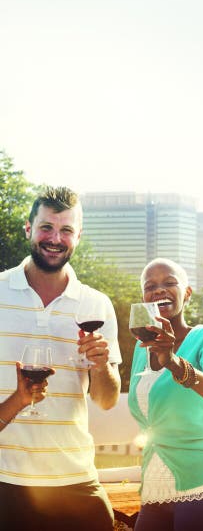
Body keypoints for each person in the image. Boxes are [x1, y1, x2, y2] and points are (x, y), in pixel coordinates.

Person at [0, 186, 122, 531]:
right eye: (46, 228)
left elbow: (106, 400)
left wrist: (101, 365)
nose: (55, 239)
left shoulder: (96, 304)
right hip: (5, 480)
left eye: (66, 230)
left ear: (78, 236)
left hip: (74, 479)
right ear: (29, 229)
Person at [128, 258, 203, 531]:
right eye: (150, 287)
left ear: (187, 293)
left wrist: (173, 362)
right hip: (156, 488)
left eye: (169, 283)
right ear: (144, 298)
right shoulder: (141, 349)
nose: (159, 290)